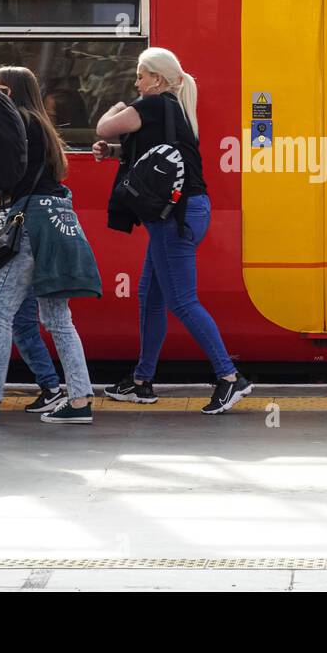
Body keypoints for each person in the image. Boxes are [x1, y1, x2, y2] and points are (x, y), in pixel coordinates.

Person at [93, 46, 253, 415]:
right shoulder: (175, 111)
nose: (136, 82)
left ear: (157, 80)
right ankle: (141, 380)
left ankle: (230, 378)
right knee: (150, 296)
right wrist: (116, 154)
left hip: (174, 217)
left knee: (182, 300)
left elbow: (104, 126)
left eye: (140, 76)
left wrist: (116, 108)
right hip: (185, 212)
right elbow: (157, 160)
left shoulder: (150, 105)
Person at [0, 66, 98, 425]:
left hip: (28, 224)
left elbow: (6, 175)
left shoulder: (16, 123)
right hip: (55, 221)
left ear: (10, 93)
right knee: (58, 318)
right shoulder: (43, 126)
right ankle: (79, 399)